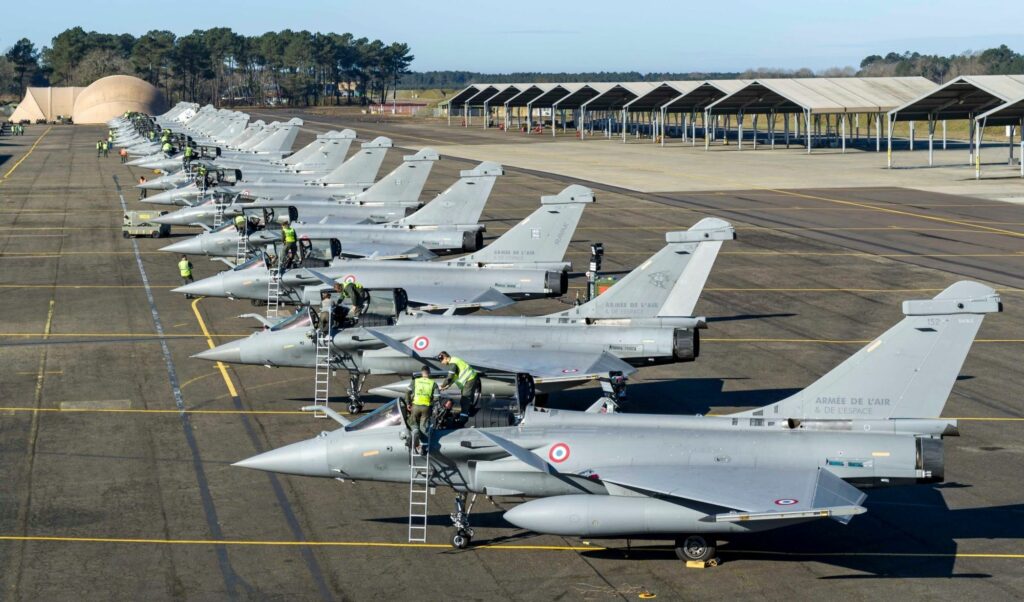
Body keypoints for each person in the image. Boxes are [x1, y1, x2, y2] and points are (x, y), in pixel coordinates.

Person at [405, 366, 440, 454]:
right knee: (424, 427)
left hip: (415, 406)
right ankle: (423, 447)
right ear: (429, 373)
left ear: (422, 373)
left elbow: (407, 392)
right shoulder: (433, 383)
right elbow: (437, 398)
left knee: (412, 421)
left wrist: (408, 403)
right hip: (426, 407)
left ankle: (415, 431)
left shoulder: (415, 381)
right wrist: (431, 405)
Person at [437, 351, 480, 416]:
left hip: (470, 378)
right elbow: (455, 376)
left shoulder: (453, 364)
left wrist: (442, 386)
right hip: (468, 379)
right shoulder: (454, 360)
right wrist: (448, 385)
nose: (441, 362)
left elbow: (449, 377)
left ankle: (464, 416)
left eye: (441, 360)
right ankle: (469, 410)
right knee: (466, 397)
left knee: (465, 398)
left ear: (445, 358)